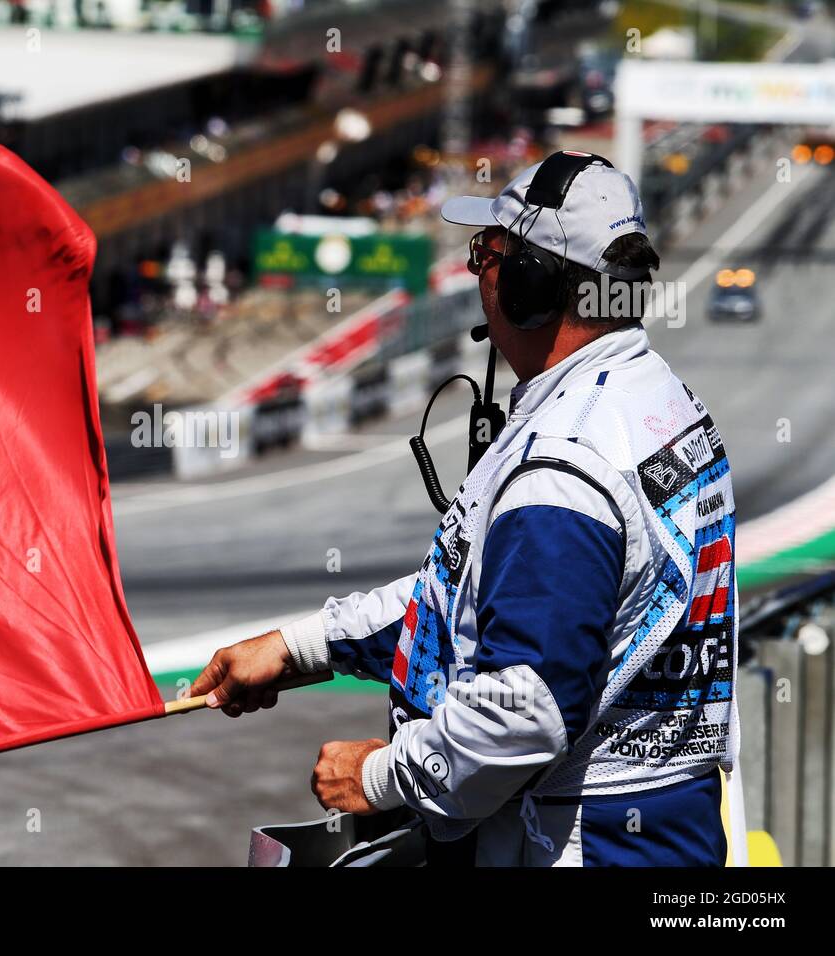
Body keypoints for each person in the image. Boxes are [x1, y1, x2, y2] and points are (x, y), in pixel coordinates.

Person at [190, 151, 740, 866]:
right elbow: (470, 596)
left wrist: (380, 775)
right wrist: (297, 648)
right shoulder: (663, 404)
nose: (477, 271)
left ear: (530, 287)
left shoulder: (562, 468)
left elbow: (526, 711)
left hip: (581, 844)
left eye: (489, 253)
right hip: (672, 831)